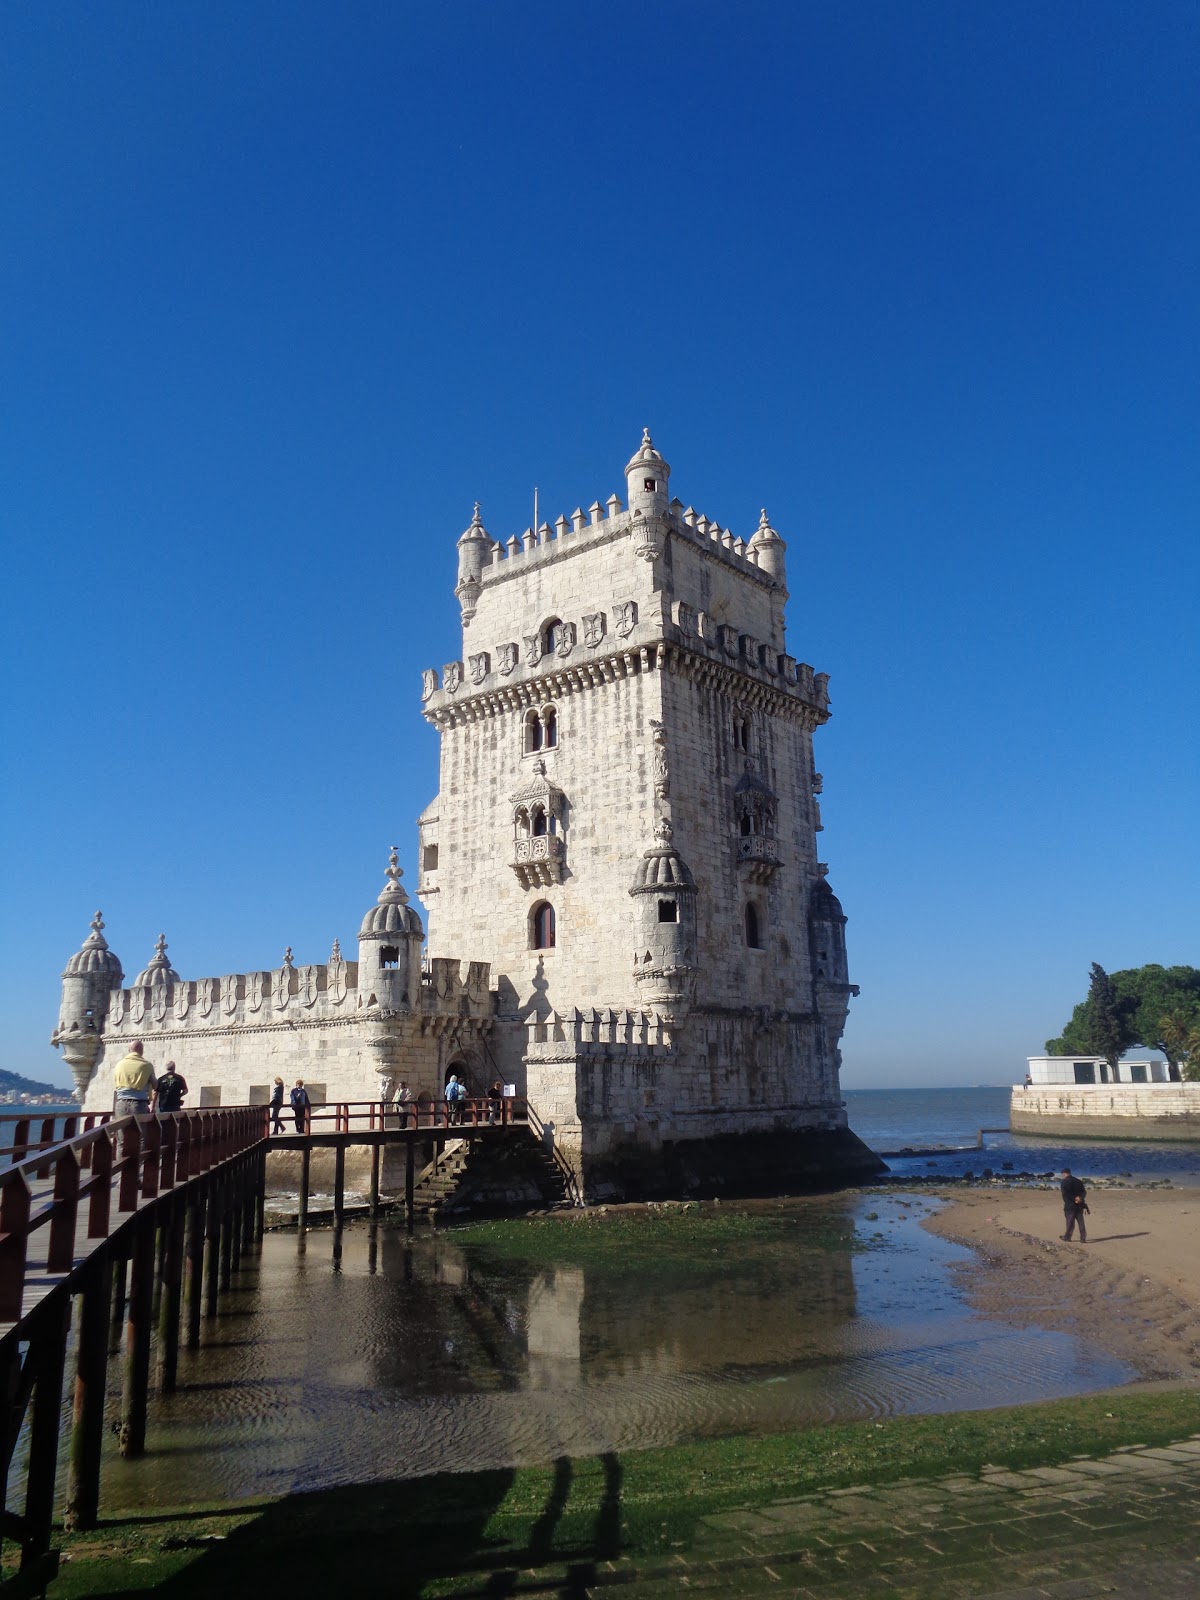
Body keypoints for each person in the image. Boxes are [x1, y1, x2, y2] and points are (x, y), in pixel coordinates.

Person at [112, 1041, 155, 1118]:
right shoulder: (147, 1065)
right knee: (139, 1129)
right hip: (139, 1104)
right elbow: (155, 1085)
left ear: (129, 1050)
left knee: (120, 1129)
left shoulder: (119, 1064)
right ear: (142, 1051)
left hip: (121, 1103)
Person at [1060, 1167, 1089, 1242]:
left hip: (1070, 1205)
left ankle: (1067, 1237)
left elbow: (1065, 1193)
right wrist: (1080, 1198)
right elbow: (1084, 1192)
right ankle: (1083, 1238)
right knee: (1081, 1222)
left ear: (1064, 1173)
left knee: (1070, 1222)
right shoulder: (1078, 1181)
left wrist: (1074, 1199)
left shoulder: (1064, 1181)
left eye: (1062, 1174)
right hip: (1079, 1204)